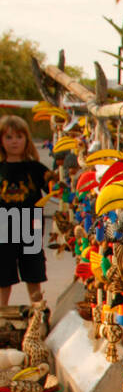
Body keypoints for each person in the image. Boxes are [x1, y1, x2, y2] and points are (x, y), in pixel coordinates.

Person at [0, 114, 49, 306]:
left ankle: (38, 311)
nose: (14, 142)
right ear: (1, 140)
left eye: (19, 137)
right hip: (3, 226)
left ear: (26, 140)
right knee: (3, 275)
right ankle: (2, 313)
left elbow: (53, 186)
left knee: (33, 273)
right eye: (9, 137)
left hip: (30, 226)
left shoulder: (35, 168)